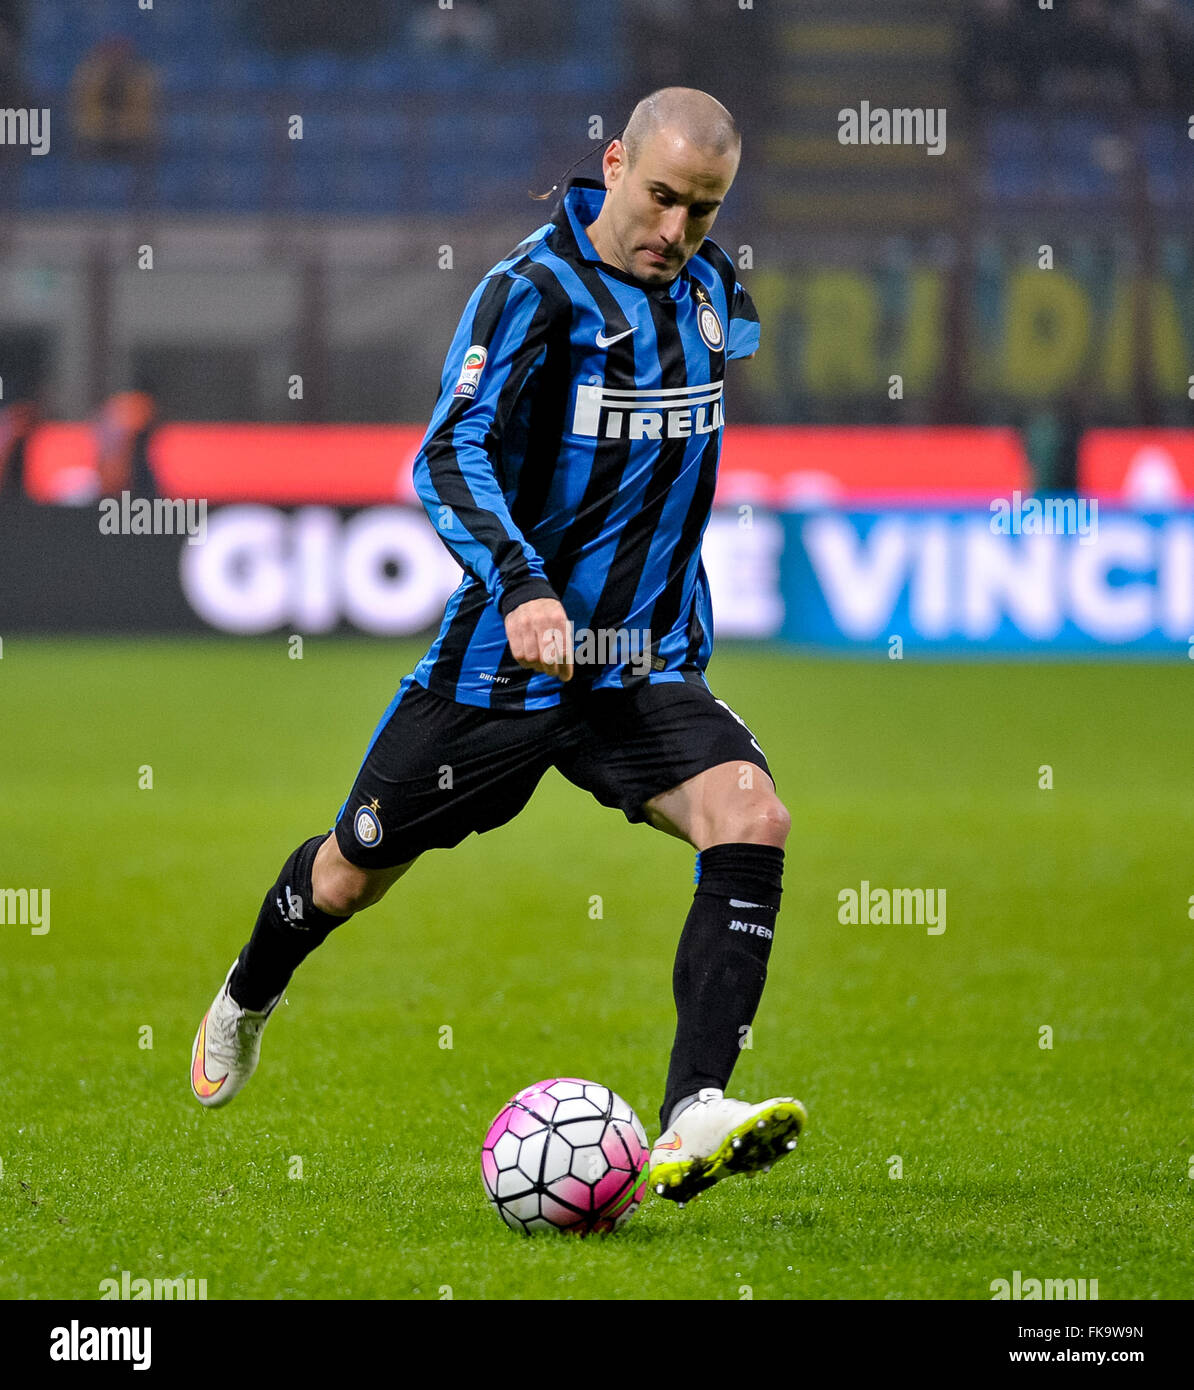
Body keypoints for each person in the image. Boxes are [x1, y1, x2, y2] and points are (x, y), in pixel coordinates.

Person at [190, 87, 806, 1205]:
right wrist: (523, 583)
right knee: (349, 871)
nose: (675, 233)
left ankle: (695, 1108)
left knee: (752, 815)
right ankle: (248, 990)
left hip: (643, 658)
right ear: (613, 164)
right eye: (661, 198)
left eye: (703, 212)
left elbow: (704, 382)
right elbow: (448, 452)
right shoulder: (528, 293)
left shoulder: (712, 290)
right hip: (502, 669)